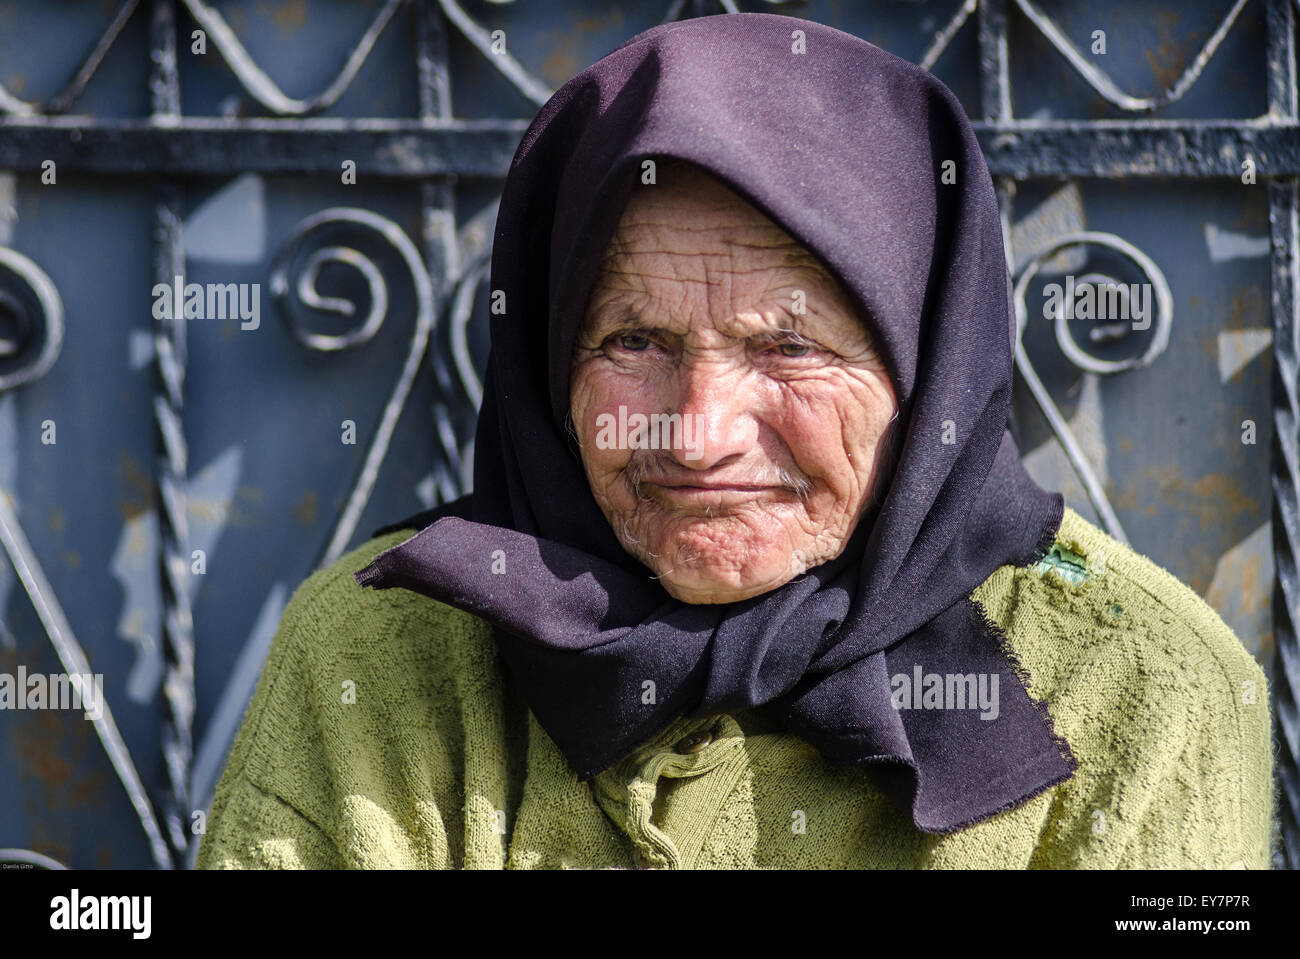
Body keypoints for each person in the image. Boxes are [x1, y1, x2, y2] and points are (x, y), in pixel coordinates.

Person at [196, 12, 1274, 869]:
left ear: (928, 362)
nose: (699, 431)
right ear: (544, 358)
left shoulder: (1138, 689)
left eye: (791, 347)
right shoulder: (379, 655)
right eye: (632, 337)